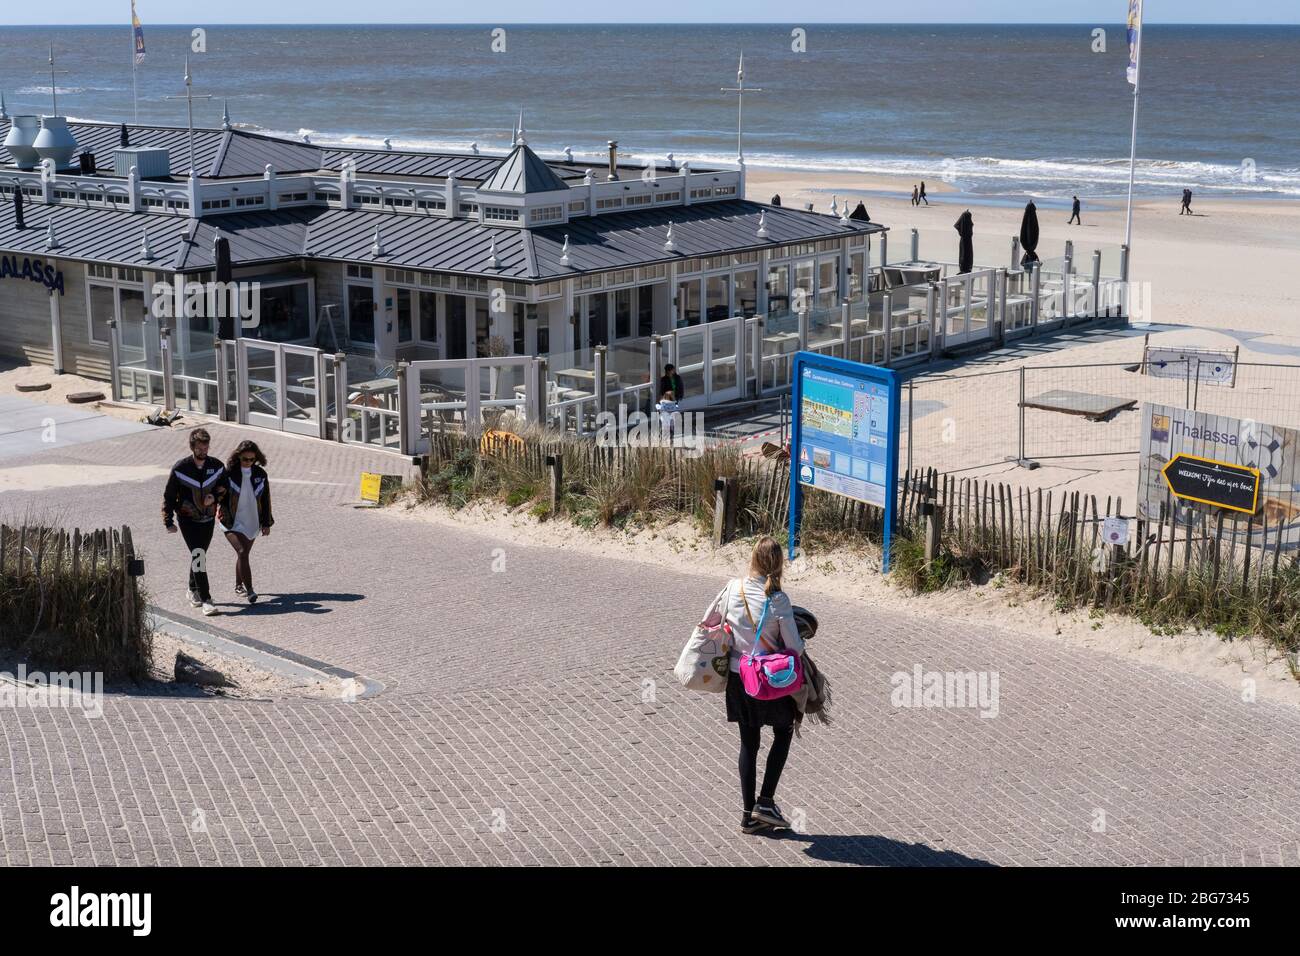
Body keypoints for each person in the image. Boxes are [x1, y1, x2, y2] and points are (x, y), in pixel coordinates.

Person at [713, 536, 806, 834]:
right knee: (784, 731)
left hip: (741, 677)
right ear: (778, 564)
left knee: (748, 743)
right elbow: (794, 647)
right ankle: (765, 801)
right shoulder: (778, 600)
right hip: (771, 679)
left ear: (752, 559)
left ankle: (747, 815)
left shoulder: (732, 588)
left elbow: (715, 623)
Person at [161, 427, 226, 616]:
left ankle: (191, 589)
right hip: (187, 520)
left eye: (206, 448)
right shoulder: (181, 468)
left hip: (208, 519)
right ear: (192, 447)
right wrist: (168, 521)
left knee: (200, 554)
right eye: (200, 449)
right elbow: (169, 495)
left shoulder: (217, 466)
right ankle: (206, 599)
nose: (204, 452)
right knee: (199, 554)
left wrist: (214, 496)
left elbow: (225, 487)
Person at [217, 440, 274, 604]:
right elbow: (219, 494)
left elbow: (266, 499)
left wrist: (266, 523)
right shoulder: (229, 474)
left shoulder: (260, 475)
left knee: (243, 555)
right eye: (245, 459)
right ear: (238, 457)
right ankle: (250, 591)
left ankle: (238, 585)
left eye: (251, 459)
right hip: (230, 521)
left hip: (252, 521)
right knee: (242, 551)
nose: (248, 462)